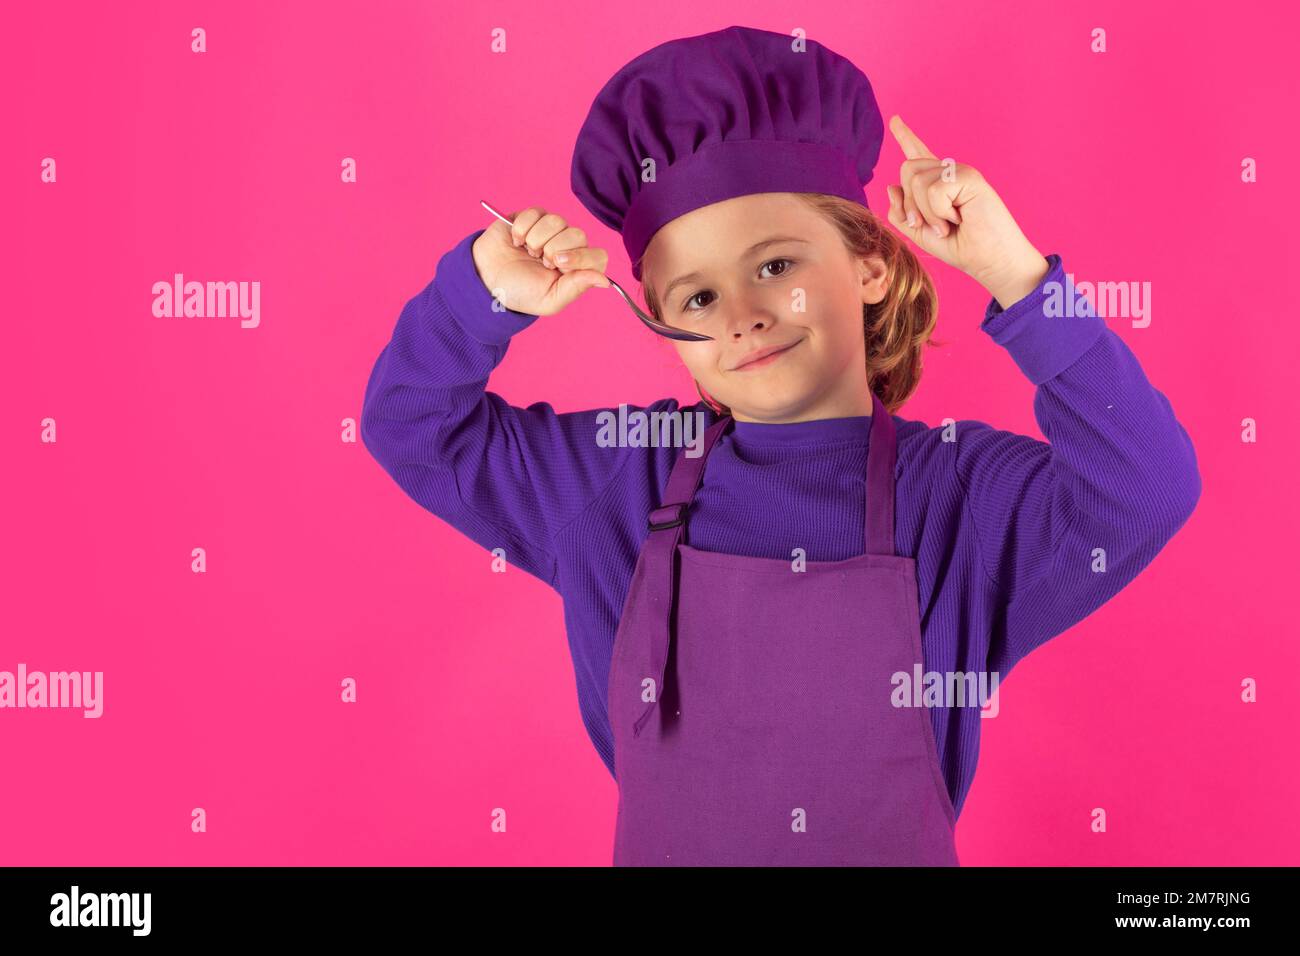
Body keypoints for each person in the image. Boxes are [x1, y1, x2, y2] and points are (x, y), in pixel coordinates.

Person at [360, 25, 1200, 866]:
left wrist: (1016, 276)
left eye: (774, 266)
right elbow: (414, 425)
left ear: (869, 265)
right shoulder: (614, 481)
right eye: (694, 297)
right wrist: (478, 296)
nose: (739, 317)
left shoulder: (961, 497)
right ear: (660, 325)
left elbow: (1146, 486)